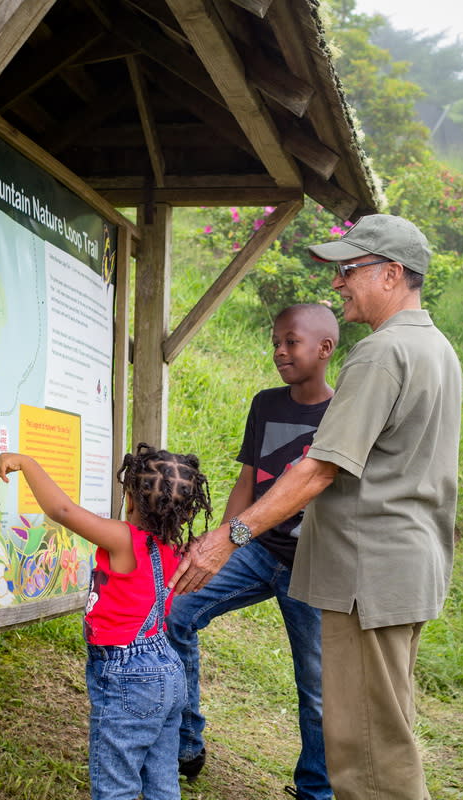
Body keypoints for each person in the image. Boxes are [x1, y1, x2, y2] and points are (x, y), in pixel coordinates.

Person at [171, 214, 462, 800]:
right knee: (383, 732)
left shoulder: (381, 355)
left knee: (367, 752)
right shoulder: (436, 349)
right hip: (406, 568)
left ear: (391, 274)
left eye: (348, 270)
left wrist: (231, 536)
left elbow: (320, 467)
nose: (338, 283)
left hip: (367, 572)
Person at [165, 303, 339, 800]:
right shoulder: (266, 403)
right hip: (256, 549)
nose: (280, 351)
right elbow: (248, 478)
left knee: (317, 690)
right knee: (174, 609)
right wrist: (217, 543)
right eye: (275, 342)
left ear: (325, 349)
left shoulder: (343, 412)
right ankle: (185, 743)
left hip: (315, 567)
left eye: (292, 342)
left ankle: (316, 790)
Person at [0, 444, 212, 800]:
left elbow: (62, 510)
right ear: (185, 513)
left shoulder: (125, 540)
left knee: (116, 783)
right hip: (168, 669)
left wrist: (27, 462)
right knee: (162, 779)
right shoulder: (173, 546)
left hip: (130, 675)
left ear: (131, 499)